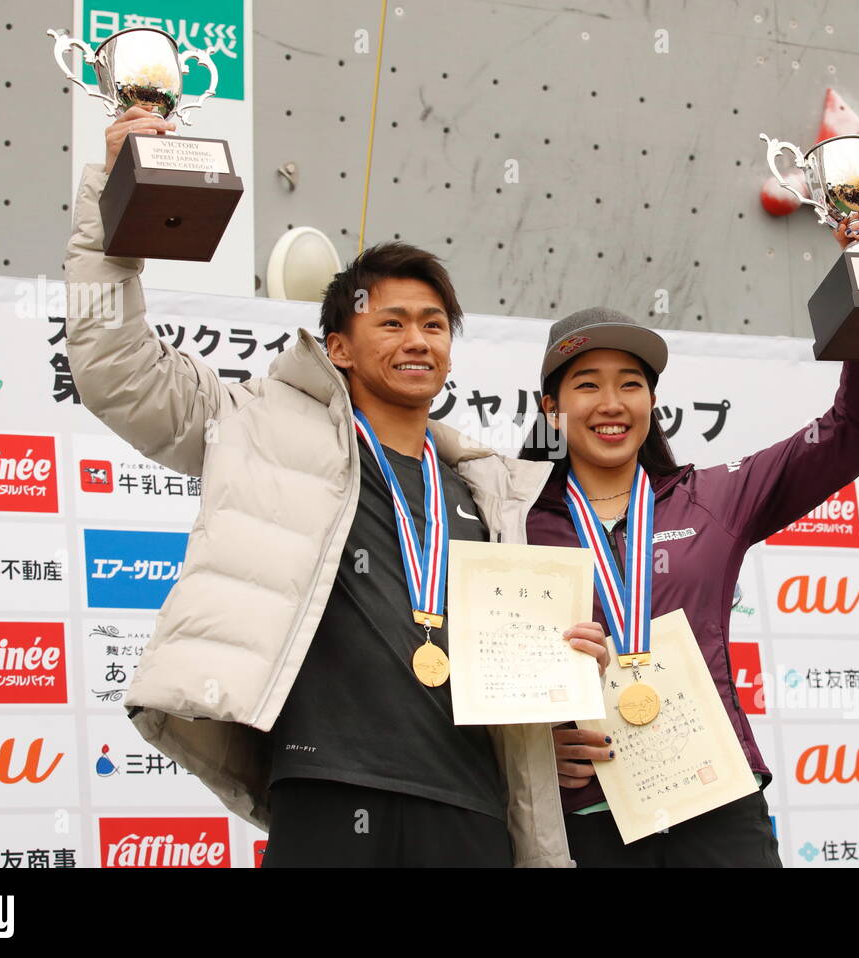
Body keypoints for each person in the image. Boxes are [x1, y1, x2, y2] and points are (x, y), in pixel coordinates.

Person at [64, 107, 607, 867]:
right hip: (327, 785)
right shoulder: (252, 423)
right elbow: (114, 368)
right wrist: (112, 204)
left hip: (473, 803)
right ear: (339, 347)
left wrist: (567, 664)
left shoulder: (489, 490)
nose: (417, 339)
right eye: (391, 323)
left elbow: (520, 657)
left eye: (433, 325)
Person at [519, 208, 859, 866]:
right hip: (586, 815)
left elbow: (854, 429)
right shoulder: (513, 518)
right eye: (587, 385)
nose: (612, 403)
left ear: (651, 403)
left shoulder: (716, 494)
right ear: (551, 407)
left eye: (631, 384)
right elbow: (481, 669)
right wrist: (531, 749)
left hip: (715, 805)